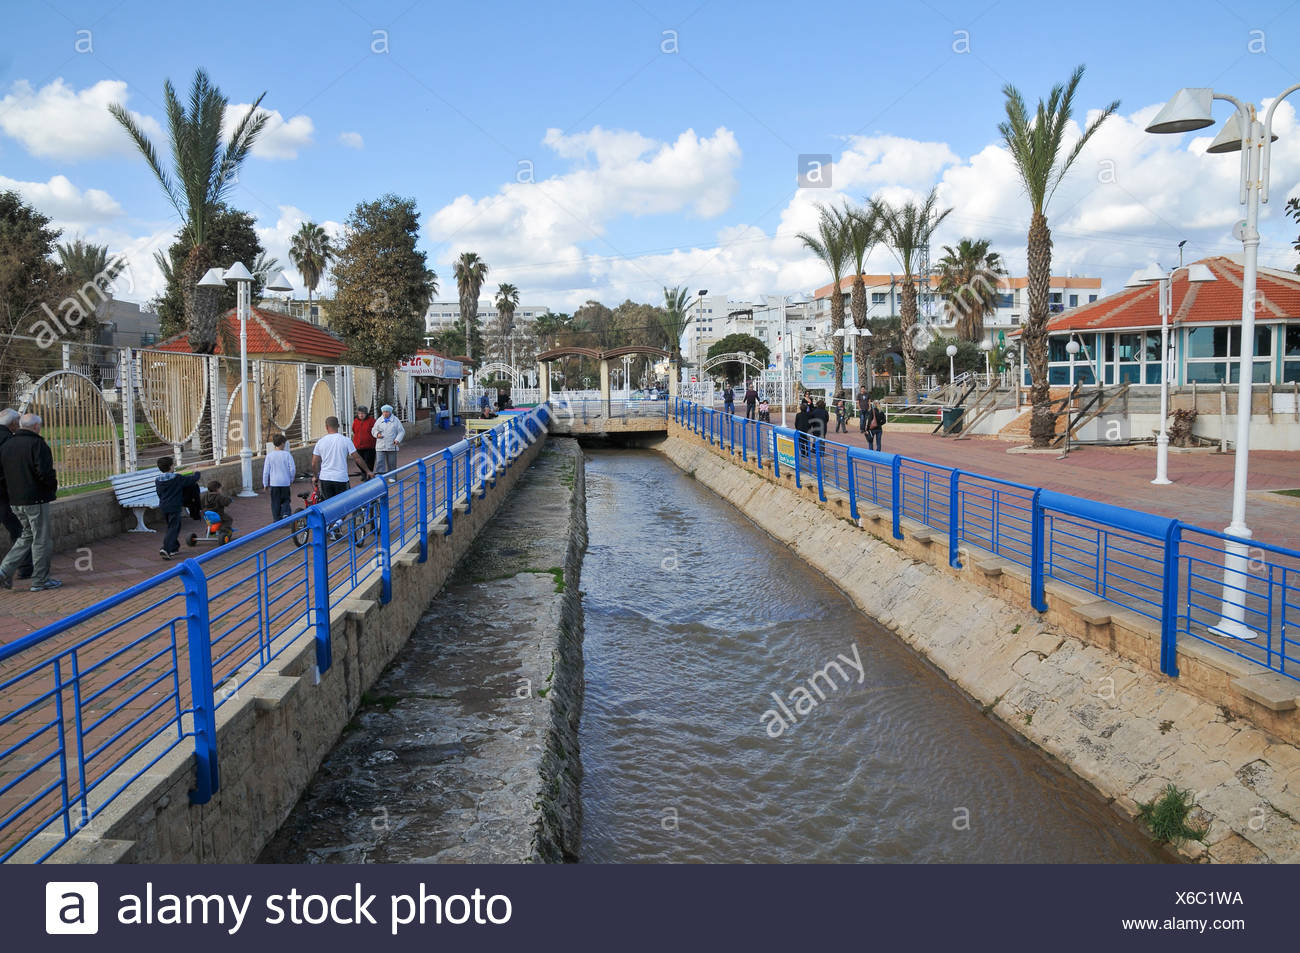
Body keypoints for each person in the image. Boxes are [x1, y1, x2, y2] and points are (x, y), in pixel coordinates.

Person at [0, 413, 59, 590]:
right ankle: (40, 580)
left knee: (26, 536)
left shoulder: (8, 444)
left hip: (16, 499)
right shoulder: (37, 444)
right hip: (35, 498)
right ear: (35, 427)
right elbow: (45, 473)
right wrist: (51, 487)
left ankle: (4, 571)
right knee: (41, 539)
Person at [0, 409, 33, 580]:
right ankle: (25, 567)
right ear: (13, 424)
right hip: (4, 494)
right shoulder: (9, 441)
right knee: (19, 531)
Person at [312, 416, 371, 500]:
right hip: (341, 478)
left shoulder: (320, 442)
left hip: (325, 478)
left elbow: (314, 462)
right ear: (338, 426)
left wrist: (315, 476)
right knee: (343, 505)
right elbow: (357, 458)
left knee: (328, 506)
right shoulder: (346, 440)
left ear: (326, 427)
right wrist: (368, 471)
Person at [155, 455, 201, 560]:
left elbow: (159, 493)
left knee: (172, 526)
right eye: (173, 464)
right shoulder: (177, 478)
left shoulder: (158, 480)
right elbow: (192, 480)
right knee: (174, 527)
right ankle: (166, 549)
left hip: (163, 506)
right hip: (174, 506)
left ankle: (174, 548)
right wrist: (197, 473)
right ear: (171, 467)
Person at [262, 433, 296, 520]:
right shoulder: (287, 455)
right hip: (285, 482)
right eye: (284, 443)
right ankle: (285, 513)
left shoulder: (269, 456)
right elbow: (292, 469)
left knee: (275, 502)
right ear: (281, 443)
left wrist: (265, 483)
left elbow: (266, 471)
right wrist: (291, 479)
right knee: (286, 500)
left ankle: (276, 519)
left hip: (274, 483)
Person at [371, 404, 406, 476]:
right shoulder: (379, 420)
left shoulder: (395, 420)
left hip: (392, 445)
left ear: (390, 412)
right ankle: (380, 476)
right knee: (380, 462)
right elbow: (373, 430)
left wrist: (397, 439)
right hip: (380, 445)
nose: (385, 413)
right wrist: (377, 434)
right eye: (383, 412)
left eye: (387, 412)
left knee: (391, 462)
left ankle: (392, 476)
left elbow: (401, 431)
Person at [351, 406, 377, 476]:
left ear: (366, 413)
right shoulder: (355, 421)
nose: (361, 415)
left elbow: (375, 431)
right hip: (358, 445)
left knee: (369, 462)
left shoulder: (372, 421)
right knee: (358, 462)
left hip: (369, 446)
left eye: (362, 413)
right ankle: (364, 473)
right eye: (359, 413)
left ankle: (369, 475)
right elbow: (354, 430)